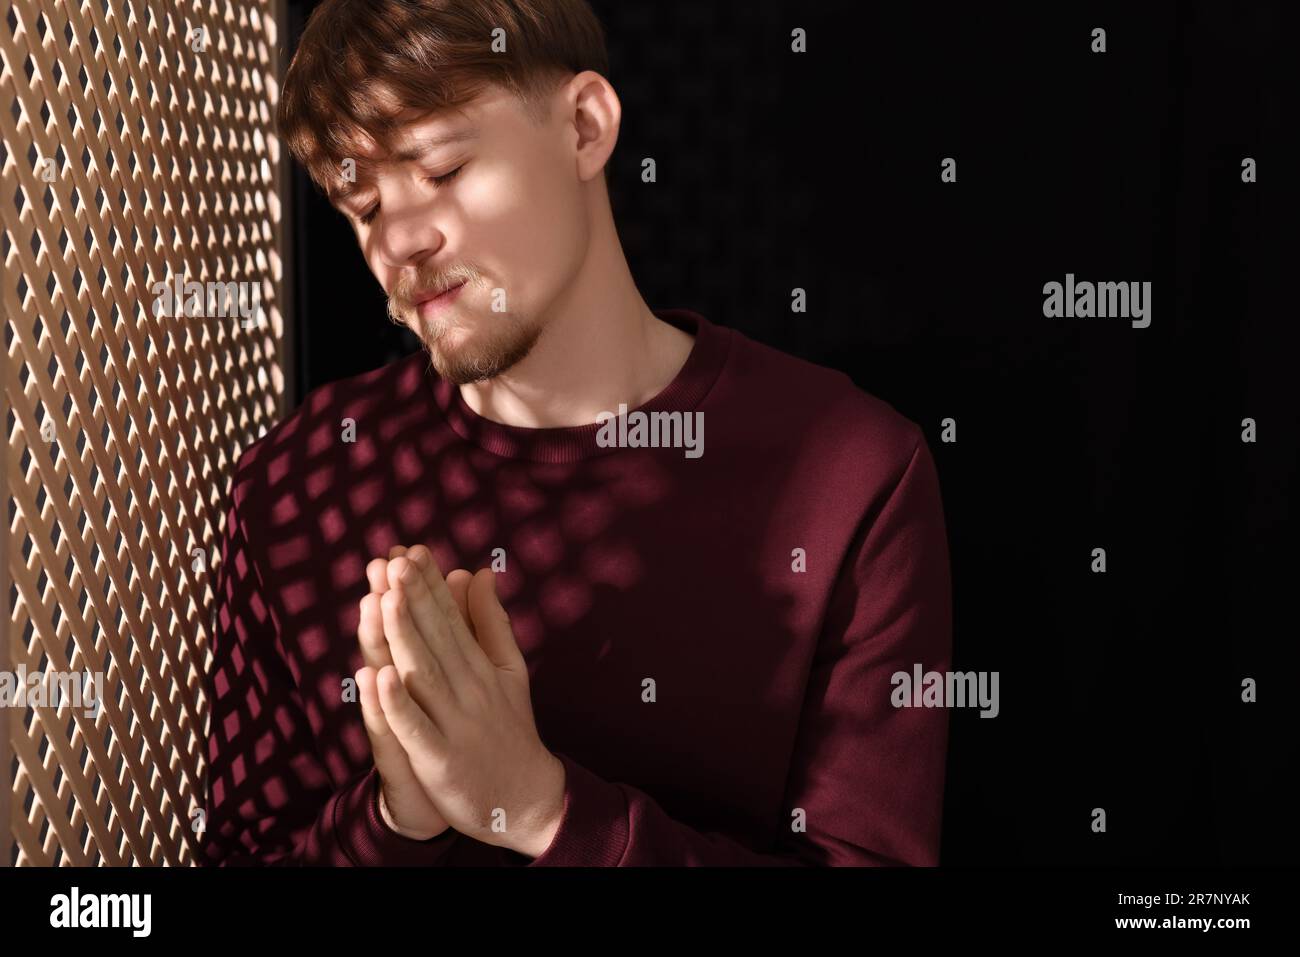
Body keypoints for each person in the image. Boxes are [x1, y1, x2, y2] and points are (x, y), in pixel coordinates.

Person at [200, 0, 952, 866]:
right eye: (361, 204)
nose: (399, 238)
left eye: (441, 168)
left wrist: (538, 809)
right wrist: (395, 818)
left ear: (585, 127)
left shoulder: (852, 476)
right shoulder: (300, 483)